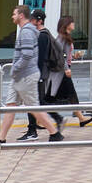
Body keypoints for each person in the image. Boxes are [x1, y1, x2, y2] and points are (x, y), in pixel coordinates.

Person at [0, 5, 62, 146]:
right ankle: (0, 139)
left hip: (25, 75)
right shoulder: (26, 31)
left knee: (33, 107)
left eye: (14, 14)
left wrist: (15, 68)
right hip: (20, 76)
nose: (12, 16)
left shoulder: (27, 32)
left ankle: (55, 133)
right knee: (10, 106)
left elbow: (27, 55)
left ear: (21, 15)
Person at [44, 16, 92, 127]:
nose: (74, 24)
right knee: (68, 95)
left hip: (62, 71)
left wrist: (73, 56)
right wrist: (67, 69)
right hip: (61, 72)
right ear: (67, 24)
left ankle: (81, 118)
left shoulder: (65, 37)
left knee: (59, 96)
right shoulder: (62, 38)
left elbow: (64, 55)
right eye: (72, 22)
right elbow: (60, 56)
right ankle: (80, 118)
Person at [22, 8, 64, 140]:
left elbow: (40, 58)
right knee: (37, 101)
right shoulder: (41, 34)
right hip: (40, 73)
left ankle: (32, 131)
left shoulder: (42, 36)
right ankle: (55, 119)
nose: (31, 21)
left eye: (33, 19)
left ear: (39, 21)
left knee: (33, 102)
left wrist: (34, 73)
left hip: (39, 73)